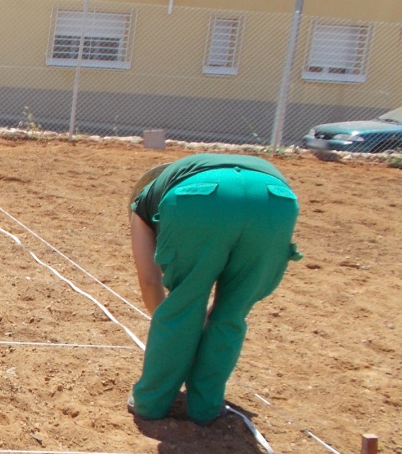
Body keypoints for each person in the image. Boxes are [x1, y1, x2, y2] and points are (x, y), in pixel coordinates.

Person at [127, 153, 301, 424]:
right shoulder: (185, 172)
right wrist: (208, 321)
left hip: (196, 198)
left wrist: (176, 324)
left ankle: (150, 402)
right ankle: (205, 406)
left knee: (184, 303)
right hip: (275, 200)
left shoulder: (142, 205)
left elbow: (150, 282)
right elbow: (225, 306)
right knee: (233, 312)